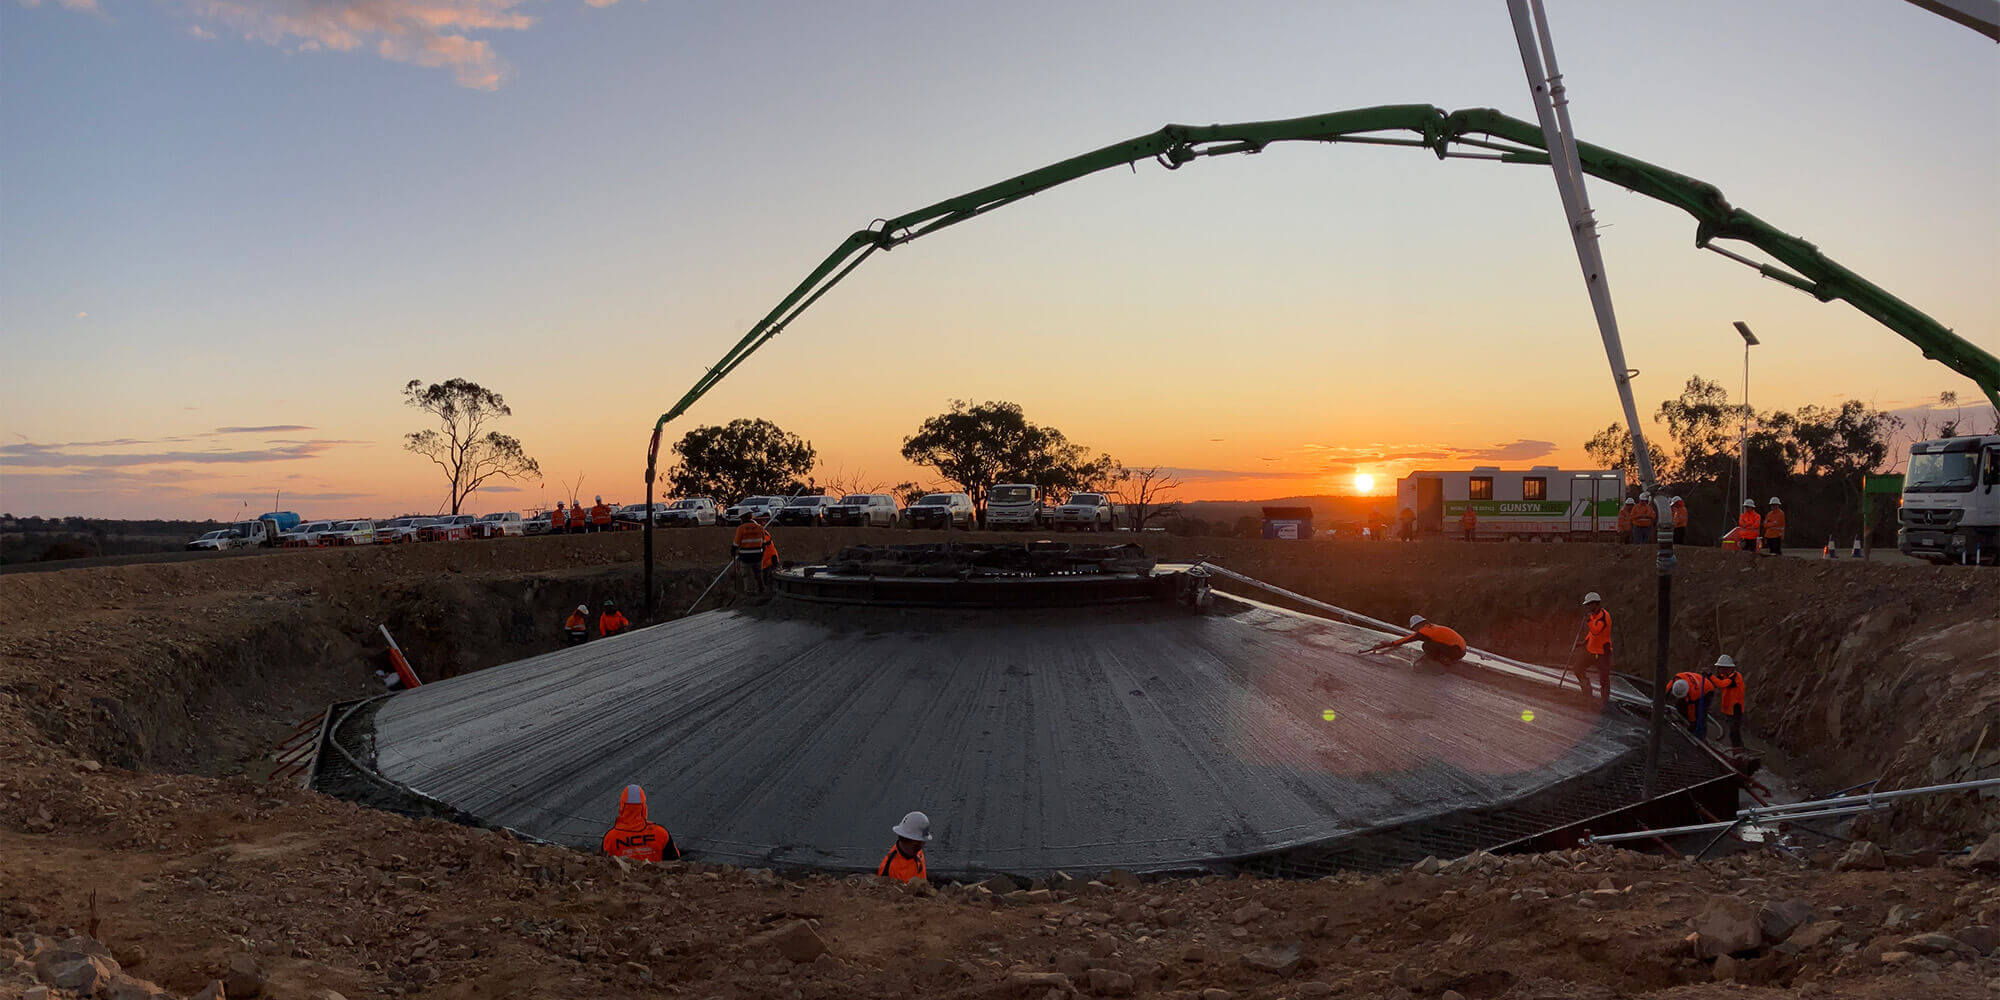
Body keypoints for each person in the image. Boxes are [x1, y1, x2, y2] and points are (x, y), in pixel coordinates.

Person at [601, 784, 679, 863]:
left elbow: (602, 865)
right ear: (644, 808)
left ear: (622, 807)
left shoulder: (610, 838)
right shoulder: (661, 834)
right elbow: (676, 864)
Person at [1362, 615, 1468, 671]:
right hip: (1461, 650)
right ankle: (1445, 658)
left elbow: (1407, 639)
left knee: (1426, 646)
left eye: (1414, 628)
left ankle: (1442, 662)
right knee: (1431, 645)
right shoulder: (1432, 627)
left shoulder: (1424, 631)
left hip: (1455, 651)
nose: (1415, 630)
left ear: (1418, 625)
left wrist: (1390, 643)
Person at [1573, 592, 1613, 703]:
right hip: (1591, 651)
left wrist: (1589, 621)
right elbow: (1591, 634)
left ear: (1596, 603)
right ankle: (1587, 693)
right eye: (1587, 605)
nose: (1588, 607)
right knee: (1578, 668)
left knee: (1604, 678)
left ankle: (1604, 702)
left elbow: (1596, 631)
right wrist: (1584, 642)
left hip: (1603, 652)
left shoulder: (1604, 616)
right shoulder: (1593, 616)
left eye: (1590, 604)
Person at [877, 811, 930, 883]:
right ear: (906, 839)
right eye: (919, 842)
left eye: (923, 841)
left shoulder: (917, 850)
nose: (922, 845)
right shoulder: (889, 867)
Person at [1706, 654, 1746, 749]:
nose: (1719, 670)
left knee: (1734, 732)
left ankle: (1738, 750)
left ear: (1727, 668)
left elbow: (1721, 684)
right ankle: (1737, 749)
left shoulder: (1735, 677)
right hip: (1729, 709)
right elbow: (1718, 680)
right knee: (1732, 731)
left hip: (1736, 708)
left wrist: (1710, 675)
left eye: (1720, 668)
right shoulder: (1726, 676)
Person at [732, 513, 773, 593]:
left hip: (745, 557)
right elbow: (764, 543)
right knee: (758, 574)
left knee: (747, 575)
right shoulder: (760, 528)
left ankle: (750, 591)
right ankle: (761, 589)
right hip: (758, 556)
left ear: (743, 518)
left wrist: (733, 550)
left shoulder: (741, 528)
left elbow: (736, 543)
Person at [1669, 671, 1714, 738]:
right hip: (1698, 682)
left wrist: (1692, 724)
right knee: (1680, 706)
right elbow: (1666, 690)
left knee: (1700, 714)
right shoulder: (1676, 678)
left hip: (1707, 690)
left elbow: (1691, 710)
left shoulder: (1692, 695)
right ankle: (1682, 722)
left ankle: (1700, 736)